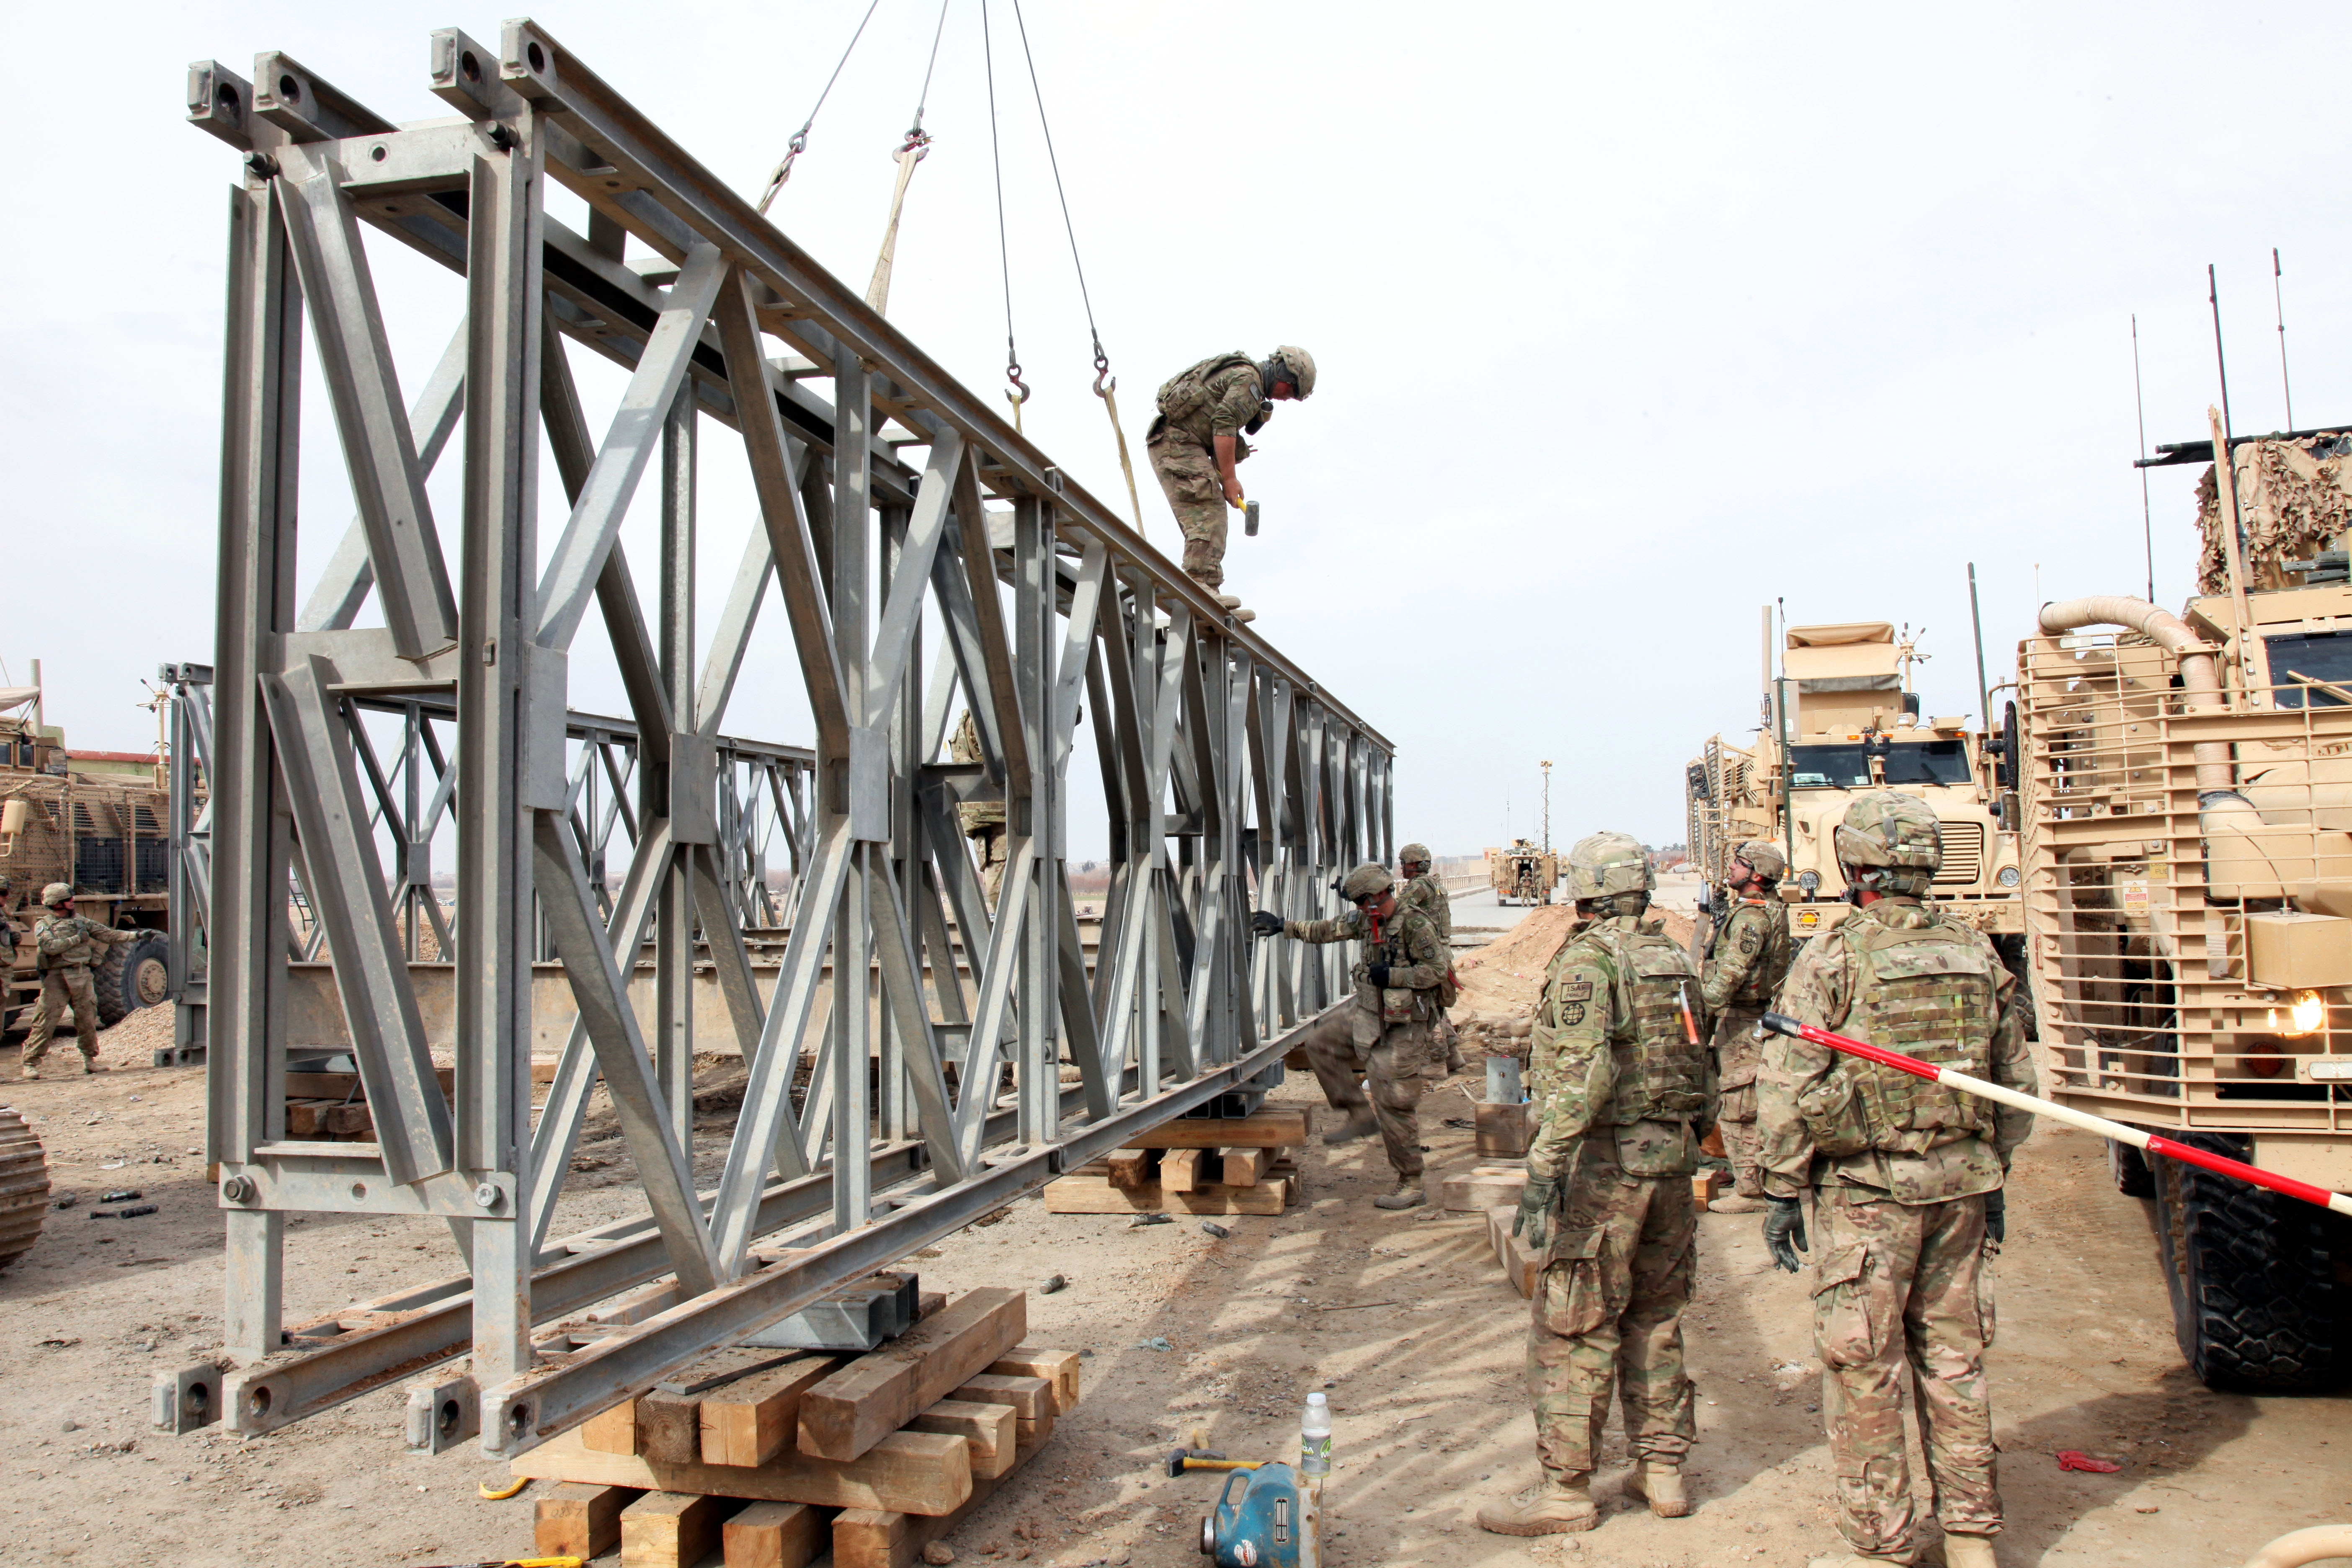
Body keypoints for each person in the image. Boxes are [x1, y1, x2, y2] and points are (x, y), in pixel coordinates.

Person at [1758, 792, 2035, 1568]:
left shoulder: (1834, 955)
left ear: (1854, 863)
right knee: (1955, 1362)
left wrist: (1780, 1187)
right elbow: (2012, 1076)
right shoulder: (1976, 951)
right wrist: (1997, 1172)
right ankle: (1973, 1538)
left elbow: (1787, 1079)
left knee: (1864, 1364)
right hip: (1962, 1186)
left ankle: (1882, 1545)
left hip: (1869, 1193)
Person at [1480, 832, 1713, 1537]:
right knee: (1656, 1313)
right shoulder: (1672, 958)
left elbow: (1581, 1081)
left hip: (1607, 1168)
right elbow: (1703, 1063)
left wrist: (1546, 1171)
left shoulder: (1588, 962)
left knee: (1573, 1321)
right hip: (1671, 1159)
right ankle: (1662, 1468)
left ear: (1584, 892)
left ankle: (1566, 1489)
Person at [1249, 861, 1445, 1209]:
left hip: (1402, 1024)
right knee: (1320, 1043)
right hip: (1369, 1011)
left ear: (1378, 896)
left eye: (1361, 901)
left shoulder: (1415, 924)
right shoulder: (1366, 920)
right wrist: (1284, 926)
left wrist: (1395, 977)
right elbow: (1329, 930)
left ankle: (1411, 1181)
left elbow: (1436, 971)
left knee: (1393, 1103)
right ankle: (1357, 1114)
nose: (1357, 908)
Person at [1147, 347, 1315, 608]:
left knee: (1211, 512)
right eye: (1291, 392)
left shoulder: (1247, 379)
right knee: (1208, 511)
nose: (1287, 398)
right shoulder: (1250, 381)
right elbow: (1224, 424)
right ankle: (1198, 582)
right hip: (1176, 442)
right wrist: (1229, 479)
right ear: (1284, 375)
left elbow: (1218, 422)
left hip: (1182, 442)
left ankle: (1209, 587)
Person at [1698, 839, 1794, 1214]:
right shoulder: (1761, 910)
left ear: (1756, 874)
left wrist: (1698, 1016)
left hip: (1743, 1020)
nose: (1732, 869)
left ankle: (1750, 1192)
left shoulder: (1753, 919)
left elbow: (1732, 974)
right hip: (1748, 1018)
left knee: (1739, 1106)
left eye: (1739, 864)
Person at [21, 883, 136, 1078]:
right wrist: (76, 940)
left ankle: (90, 1060)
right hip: (56, 979)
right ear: (56, 903)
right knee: (45, 1021)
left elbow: (107, 934)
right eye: (67, 899)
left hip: (81, 976)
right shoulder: (44, 925)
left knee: (87, 1020)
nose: (72, 902)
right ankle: (30, 1063)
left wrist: (136, 936)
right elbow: (50, 947)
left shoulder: (81, 922)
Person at [1395, 843, 1465, 1077]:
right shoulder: (1435, 883)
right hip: (1442, 954)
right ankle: (1454, 1055)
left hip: (1429, 958)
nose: (1402, 868)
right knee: (1438, 1007)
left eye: (1404, 863)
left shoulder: (1418, 887)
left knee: (1426, 1010)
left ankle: (1438, 1063)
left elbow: (1396, 912)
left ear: (1413, 865)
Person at [947, 709, 1008, 908]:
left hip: (1008, 823)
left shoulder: (996, 710)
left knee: (1000, 894)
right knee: (997, 893)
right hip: (986, 824)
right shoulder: (972, 716)